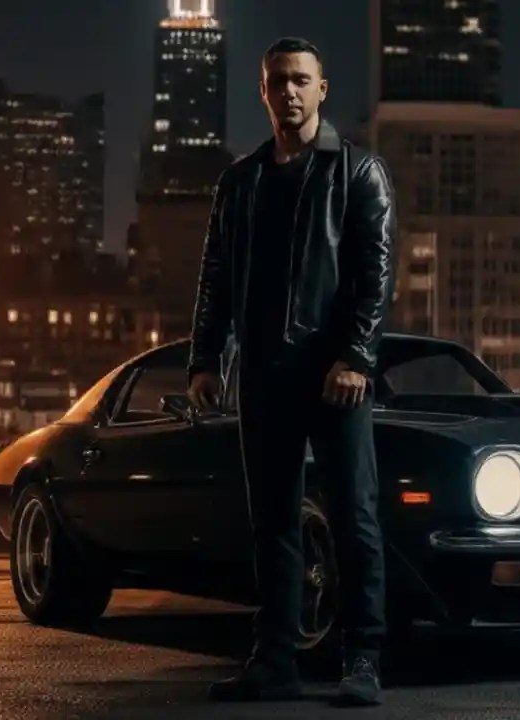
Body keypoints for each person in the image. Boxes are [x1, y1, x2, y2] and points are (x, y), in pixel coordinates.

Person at [185, 36, 396, 707]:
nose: (290, 92)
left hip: (336, 375)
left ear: (322, 89)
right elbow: (215, 276)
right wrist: (203, 357)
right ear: (264, 90)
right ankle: (274, 660)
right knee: (271, 521)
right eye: (278, 81)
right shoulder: (239, 182)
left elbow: (375, 273)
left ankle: (361, 659)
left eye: (302, 80)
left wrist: (358, 355)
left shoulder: (358, 172)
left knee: (353, 517)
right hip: (263, 375)